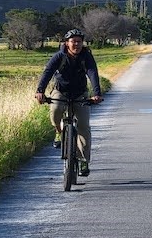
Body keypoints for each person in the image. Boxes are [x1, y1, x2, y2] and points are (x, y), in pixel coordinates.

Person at [35, 29, 103, 176]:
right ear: (67, 43)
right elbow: (48, 72)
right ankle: (59, 132)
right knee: (56, 110)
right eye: (73, 41)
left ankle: (84, 160)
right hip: (61, 91)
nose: (76, 44)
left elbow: (92, 73)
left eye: (79, 41)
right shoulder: (59, 56)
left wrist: (97, 94)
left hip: (80, 94)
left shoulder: (86, 57)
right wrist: (40, 91)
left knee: (83, 126)